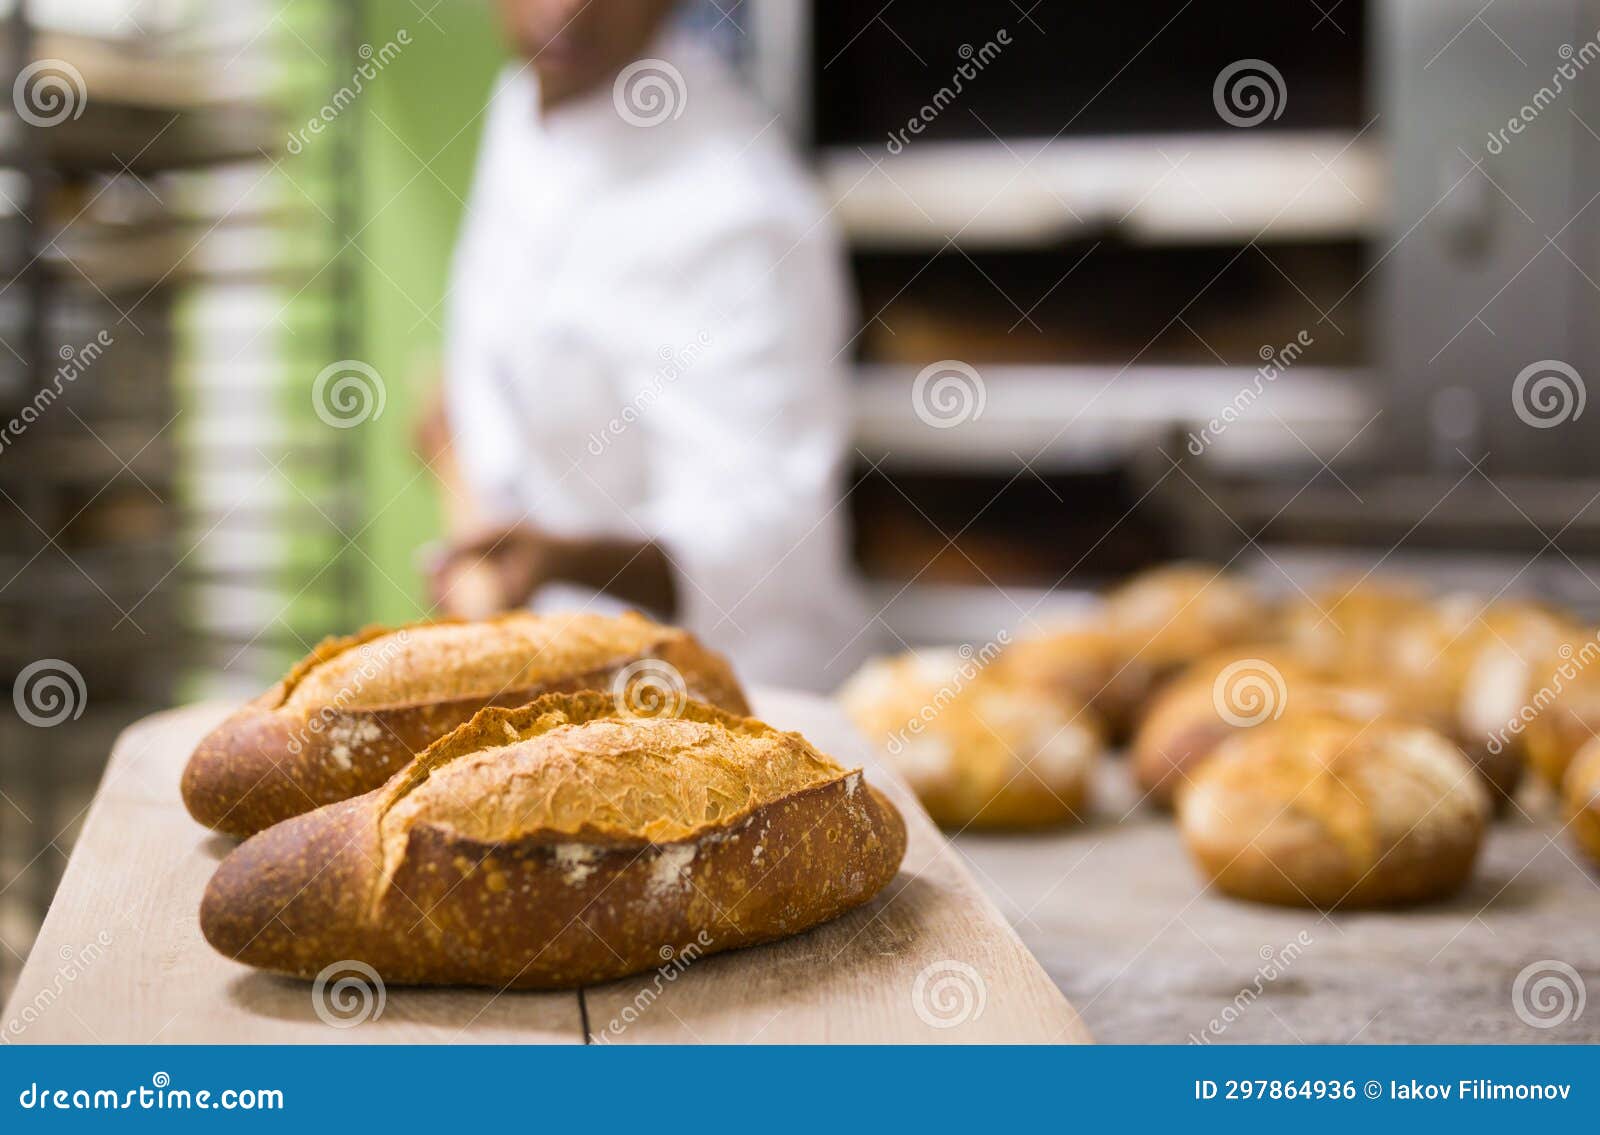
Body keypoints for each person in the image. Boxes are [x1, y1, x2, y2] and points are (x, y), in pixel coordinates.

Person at [424, 0, 866, 689]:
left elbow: (775, 541)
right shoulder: (527, 100)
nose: (566, 8)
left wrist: (563, 563)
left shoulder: (741, 210)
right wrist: (462, 438)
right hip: (565, 674)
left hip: (742, 697)